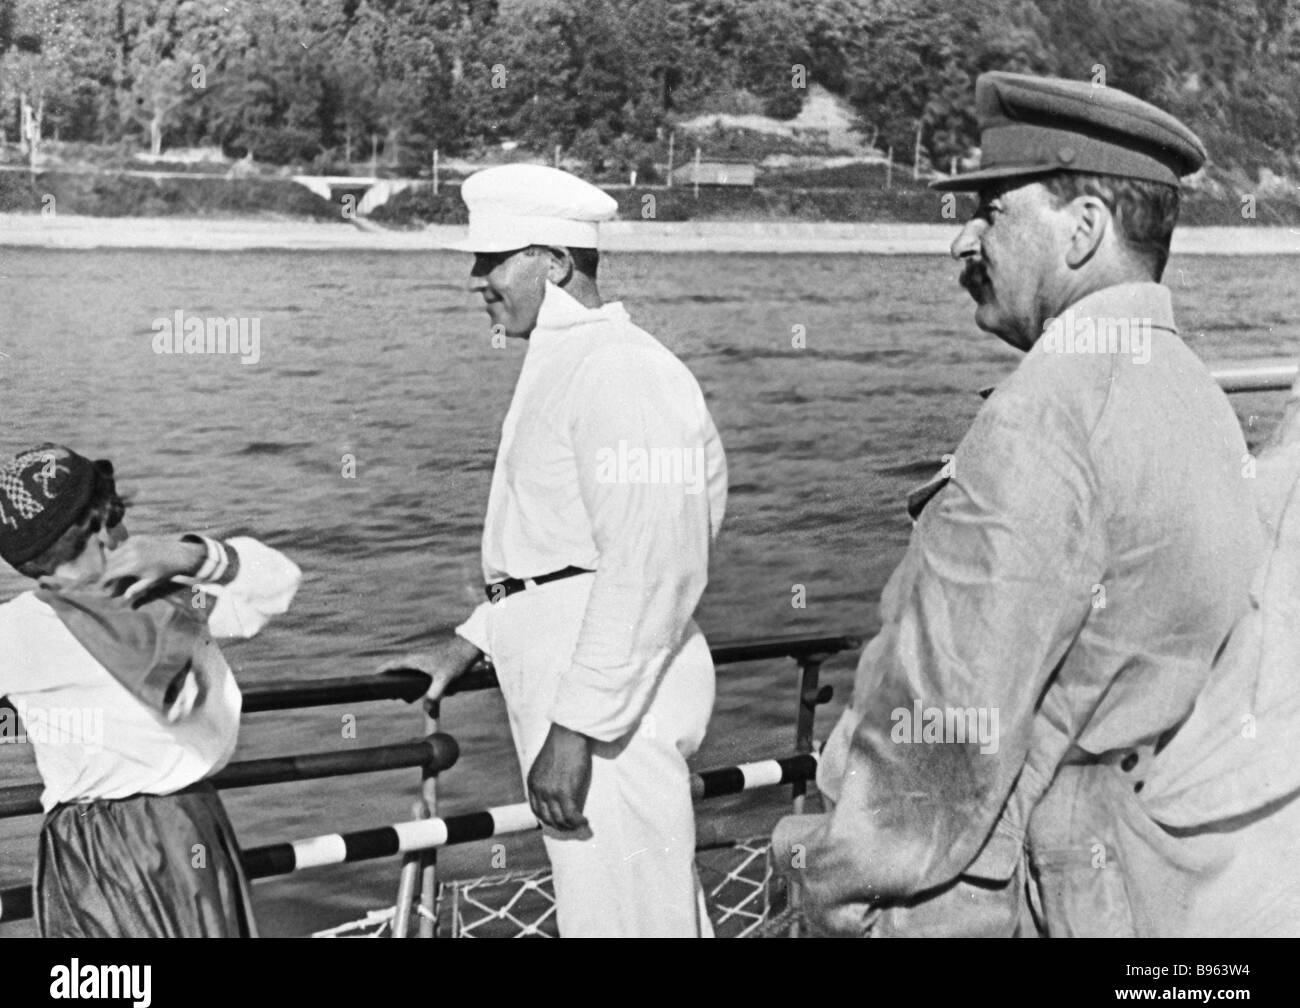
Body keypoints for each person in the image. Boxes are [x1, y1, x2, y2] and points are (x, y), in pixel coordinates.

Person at [772, 71, 1274, 936]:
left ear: (1083, 230)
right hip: (1140, 881)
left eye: (993, 210)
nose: (961, 243)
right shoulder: (1191, 393)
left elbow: (943, 741)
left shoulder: (1047, 413)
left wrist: (814, 881)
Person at [382, 164, 728, 937]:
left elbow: (653, 559)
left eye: (493, 260)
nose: (477, 282)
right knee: (624, 915)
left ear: (558, 263)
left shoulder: (621, 369)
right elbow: (554, 547)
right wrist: (473, 640)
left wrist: (577, 729)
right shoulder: (569, 363)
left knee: (631, 920)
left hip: (607, 702)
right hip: (581, 675)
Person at [0, 443, 301, 937]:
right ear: (101, 522)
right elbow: (278, 584)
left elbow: (279, 585)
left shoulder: (16, 631)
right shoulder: (172, 595)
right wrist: (190, 554)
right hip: (183, 826)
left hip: (86, 847)